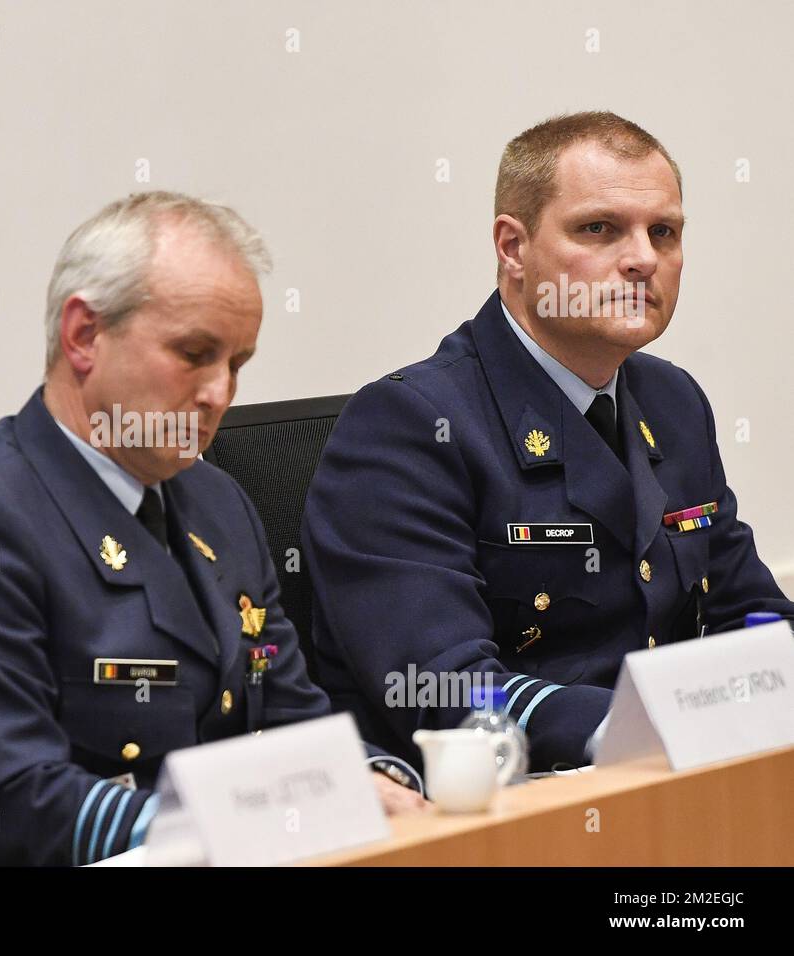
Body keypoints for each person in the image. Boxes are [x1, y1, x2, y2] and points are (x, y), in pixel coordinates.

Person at [0, 192, 426, 866]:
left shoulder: (217, 501)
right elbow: (15, 807)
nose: (220, 392)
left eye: (237, 363)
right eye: (194, 354)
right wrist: (258, 822)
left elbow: (294, 721)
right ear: (83, 337)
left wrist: (381, 781)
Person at [303, 112, 794, 773]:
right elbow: (446, 687)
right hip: (505, 808)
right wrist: (649, 730)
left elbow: (748, 612)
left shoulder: (673, 402)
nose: (643, 258)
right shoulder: (409, 425)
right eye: (600, 228)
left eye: (664, 233)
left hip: (671, 781)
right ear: (513, 248)